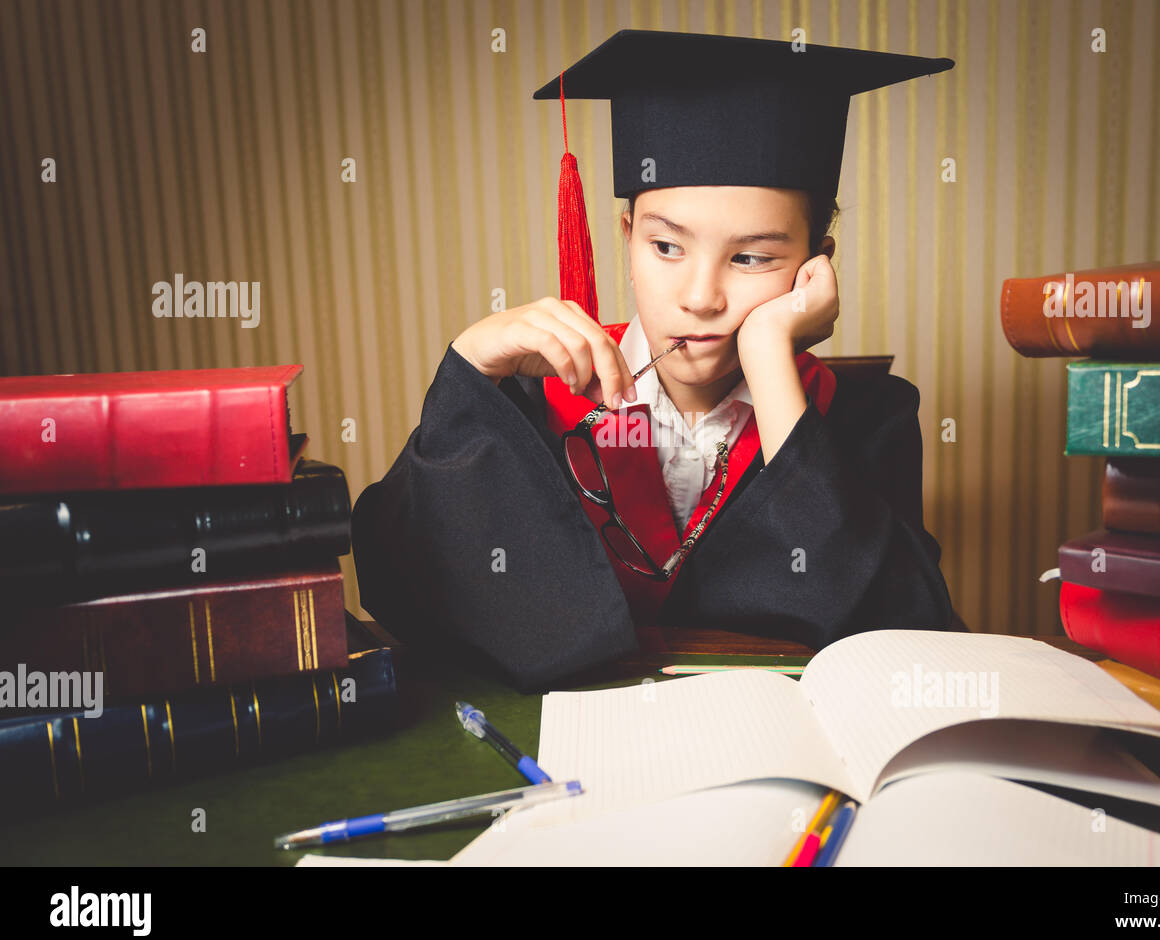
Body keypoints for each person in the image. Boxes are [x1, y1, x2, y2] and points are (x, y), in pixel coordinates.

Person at [351, 29, 956, 690]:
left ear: (815, 269)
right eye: (667, 247)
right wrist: (469, 374)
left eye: (752, 257)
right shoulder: (534, 399)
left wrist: (771, 363)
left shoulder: (868, 416)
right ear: (628, 236)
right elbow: (404, 587)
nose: (700, 298)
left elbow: (907, 633)